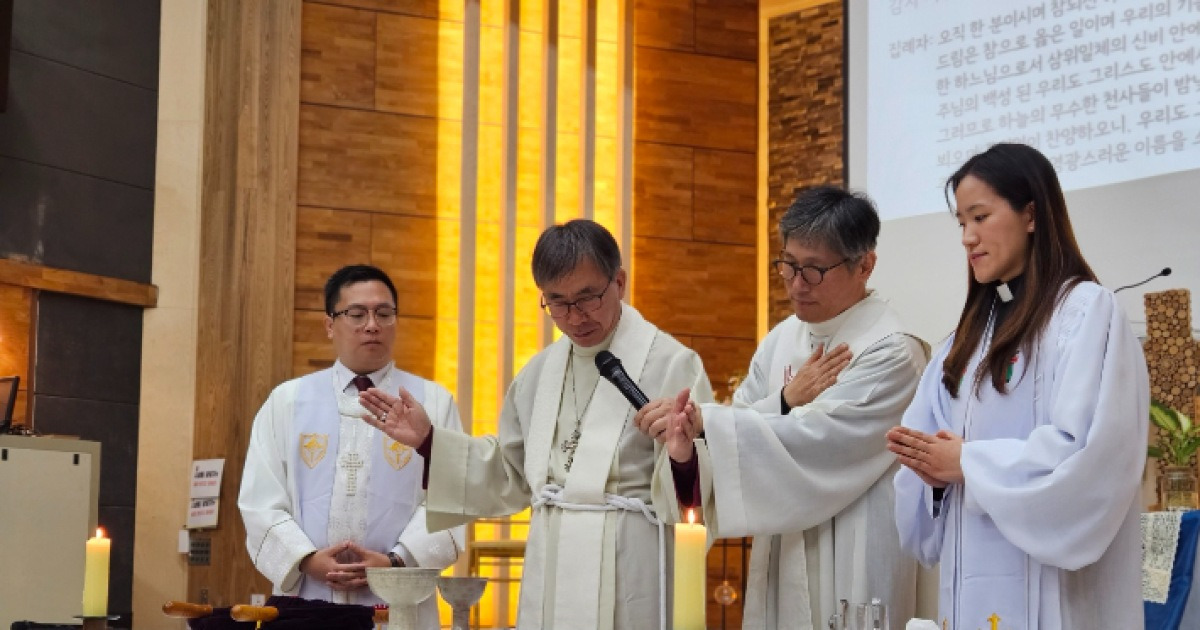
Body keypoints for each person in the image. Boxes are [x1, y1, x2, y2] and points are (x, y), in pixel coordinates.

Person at [359, 219, 714, 630]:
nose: (574, 317)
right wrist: (429, 442)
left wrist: (683, 453)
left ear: (619, 281)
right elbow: (511, 473)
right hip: (552, 562)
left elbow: (701, 489)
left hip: (632, 563)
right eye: (557, 302)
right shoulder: (538, 375)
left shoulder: (672, 363)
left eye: (588, 298)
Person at [886, 143, 1148, 630]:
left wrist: (967, 462)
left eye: (980, 217)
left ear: (1031, 214)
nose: (967, 237)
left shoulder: (1086, 314)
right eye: (961, 223)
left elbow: (1087, 456)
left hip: (1056, 597)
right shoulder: (962, 342)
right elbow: (926, 483)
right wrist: (930, 472)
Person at [647, 186, 929, 630]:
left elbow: (820, 442)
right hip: (782, 555)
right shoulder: (782, 339)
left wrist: (714, 422)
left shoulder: (892, 351)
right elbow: (743, 423)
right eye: (789, 265)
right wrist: (691, 444)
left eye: (814, 270)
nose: (796, 284)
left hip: (853, 550)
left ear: (864, 265)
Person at [238, 264, 464, 629]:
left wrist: (394, 562)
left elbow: (451, 501)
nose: (372, 324)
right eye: (357, 314)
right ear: (330, 324)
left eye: (384, 314)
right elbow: (259, 500)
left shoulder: (433, 404)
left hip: (397, 603)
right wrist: (307, 559)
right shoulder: (288, 402)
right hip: (309, 598)